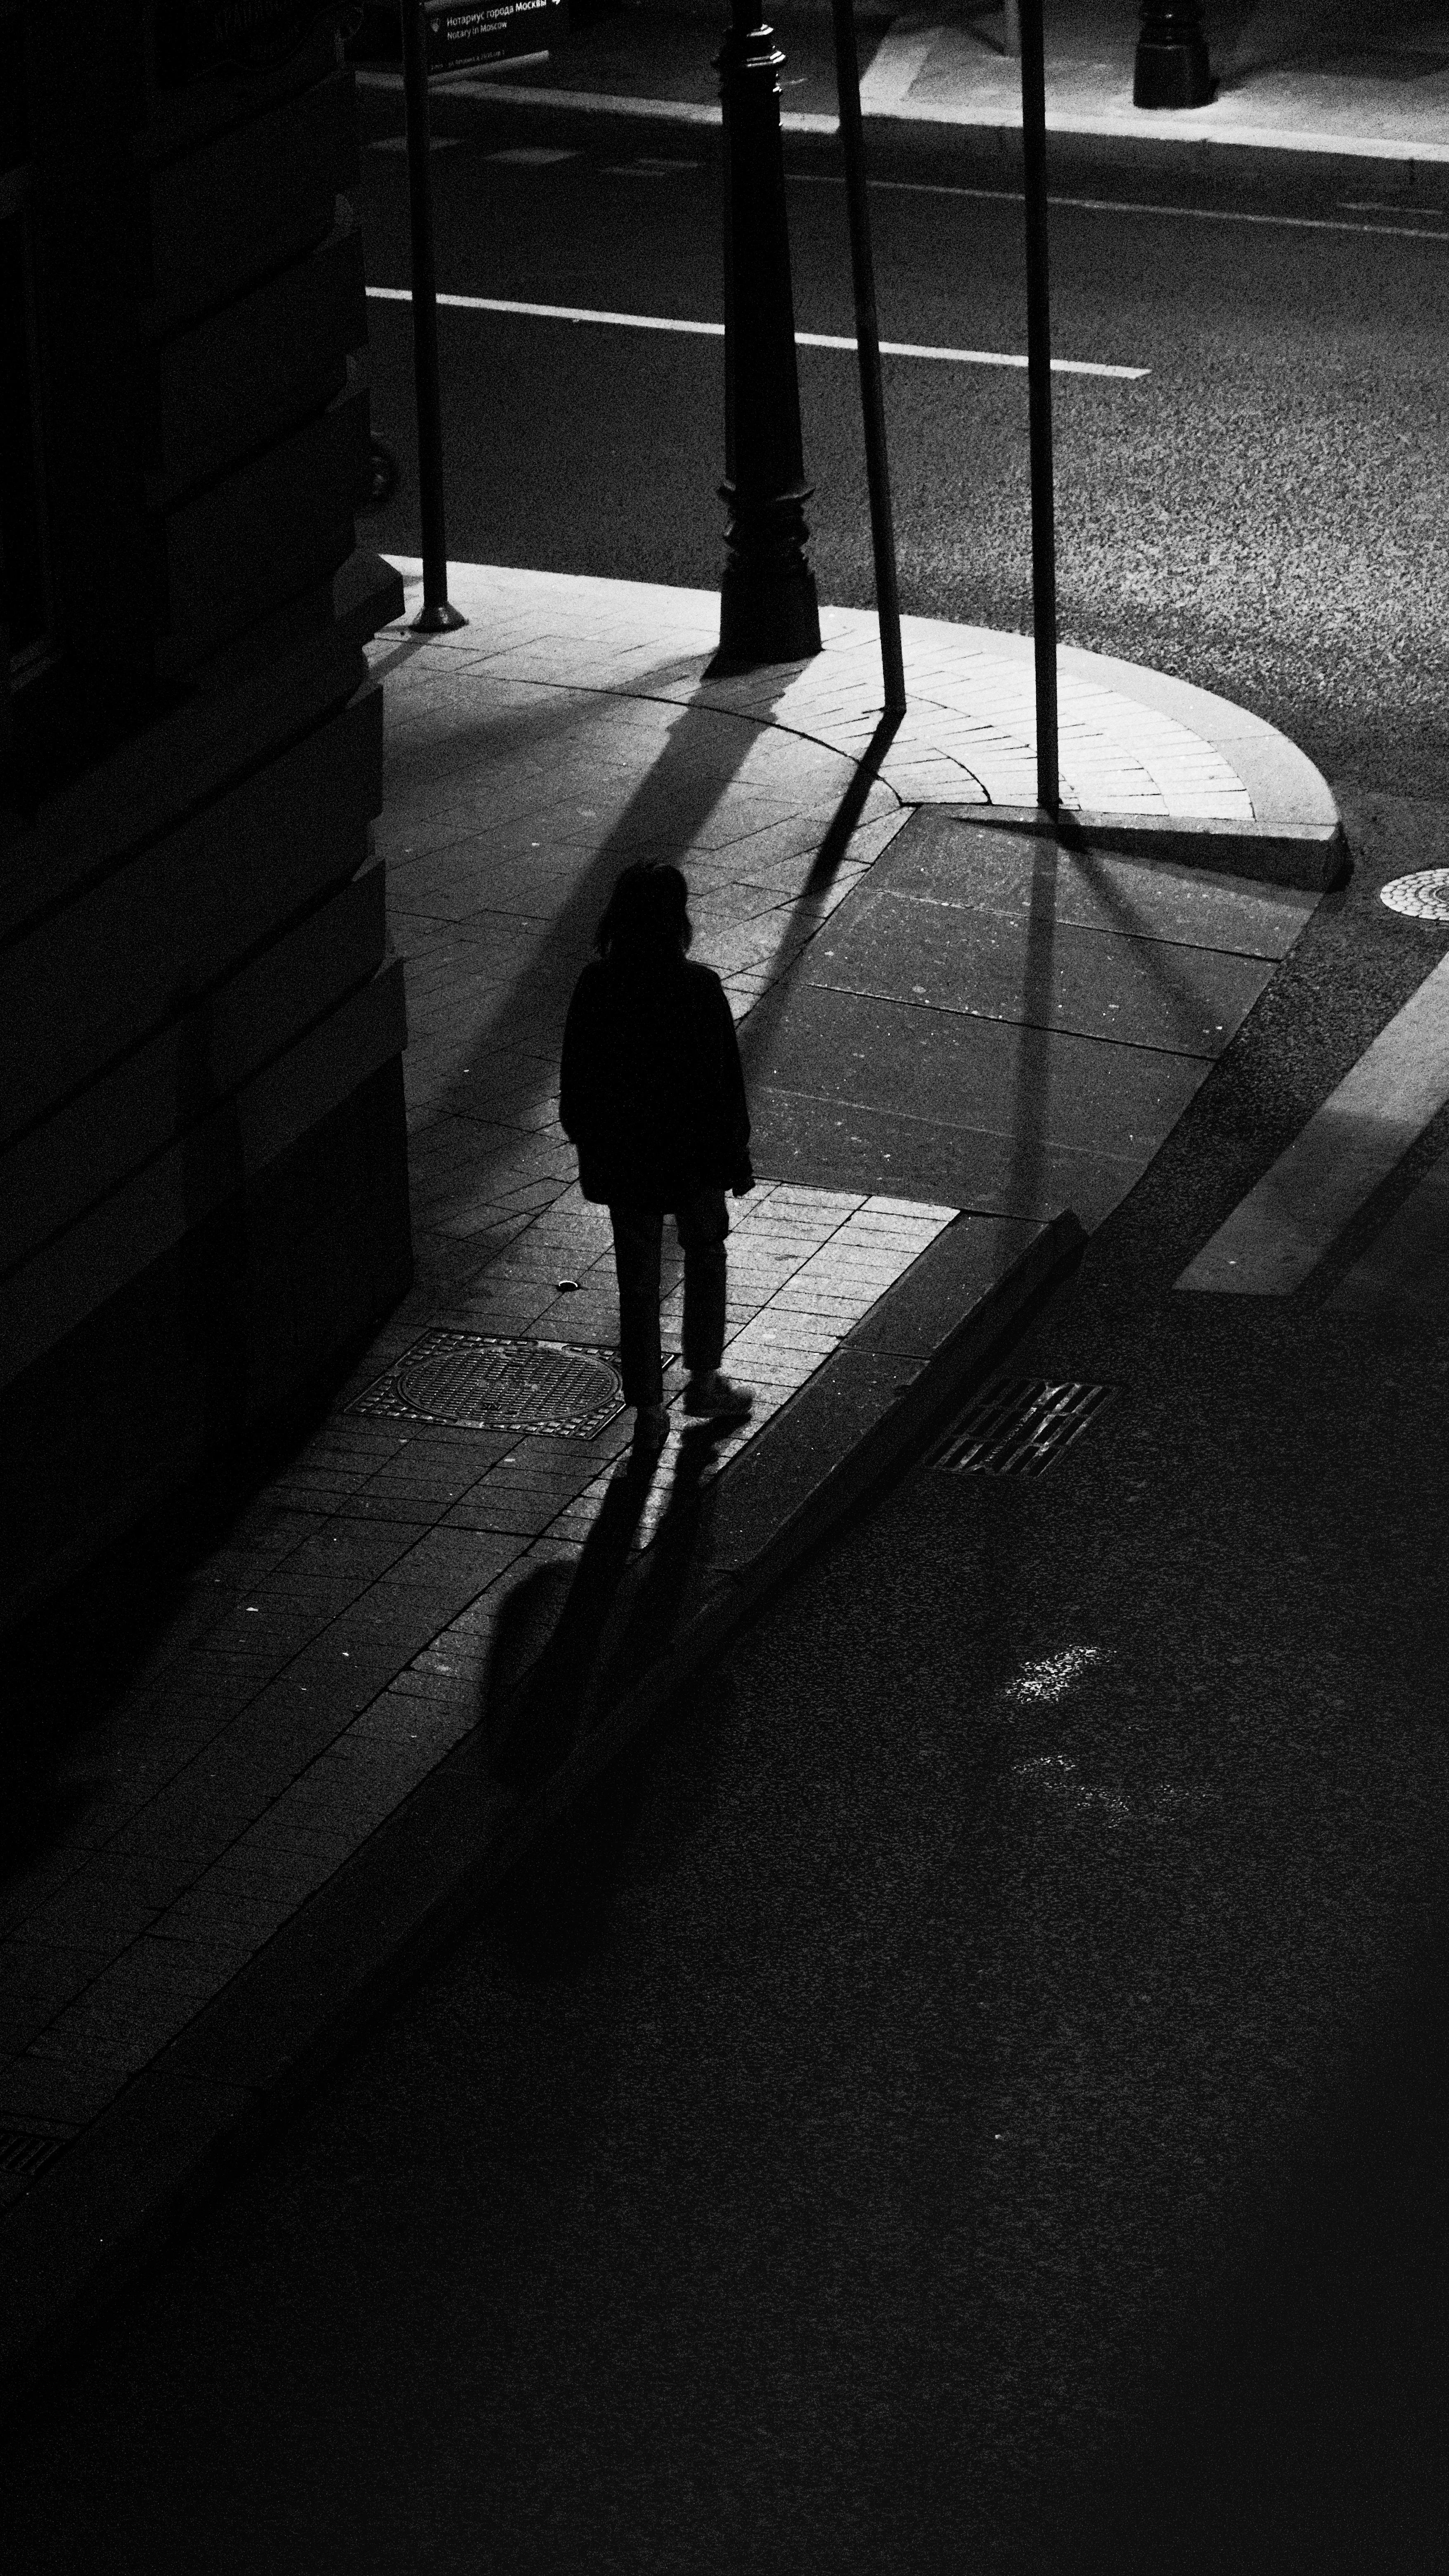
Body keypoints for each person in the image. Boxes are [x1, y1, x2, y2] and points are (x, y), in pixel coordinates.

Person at [560, 862, 756, 1461]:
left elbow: (578, 1079)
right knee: (705, 1255)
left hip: (627, 1160)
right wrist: (735, 1156)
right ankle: (704, 1380)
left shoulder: (598, 984)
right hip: (691, 1157)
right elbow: (724, 1083)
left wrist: (591, 1141)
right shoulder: (698, 987)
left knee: (638, 1282)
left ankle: (648, 1409)